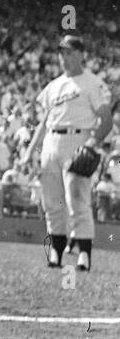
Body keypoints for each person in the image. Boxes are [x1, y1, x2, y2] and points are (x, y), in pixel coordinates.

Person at [20, 35, 113, 272]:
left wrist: (92, 144)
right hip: (51, 141)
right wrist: (28, 152)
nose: (65, 57)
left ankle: (83, 254)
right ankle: (56, 252)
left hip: (78, 138)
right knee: (52, 202)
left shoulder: (92, 83)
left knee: (77, 201)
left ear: (82, 54)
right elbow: (43, 122)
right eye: (62, 53)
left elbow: (106, 120)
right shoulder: (53, 85)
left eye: (70, 52)